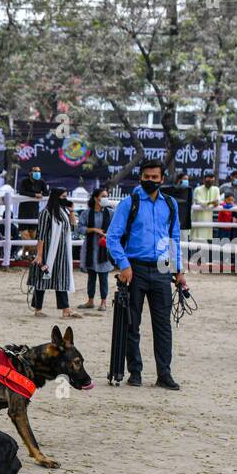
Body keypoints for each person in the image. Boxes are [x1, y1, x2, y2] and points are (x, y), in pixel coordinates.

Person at [105, 159, 185, 389]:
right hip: (135, 269)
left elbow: (174, 238)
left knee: (163, 326)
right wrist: (124, 265)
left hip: (162, 269)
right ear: (141, 177)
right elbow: (113, 237)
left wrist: (178, 271)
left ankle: (164, 374)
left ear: (162, 179)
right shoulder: (129, 204)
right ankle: (135, 372)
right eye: (146, 177)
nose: (150, 181)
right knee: (132, 325)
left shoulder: (170, 204)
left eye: (155, 177)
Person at [29, 186, 76, 318]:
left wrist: (71, 212)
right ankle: (38, 309)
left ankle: (66, 309)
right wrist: (39, 255)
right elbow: (41, 235)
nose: (65, 199)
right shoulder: (46, 213)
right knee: (42, 279)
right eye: (63, 197)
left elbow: (72, 228)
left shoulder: (63, 212)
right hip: (48, 251)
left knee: (61, 279)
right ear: (56, 197)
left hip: (62, 253)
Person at [75, 187, 113, 310]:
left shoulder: (111, 213)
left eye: (107, 196)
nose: (105, 199)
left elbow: (117, 229)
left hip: (105, 249)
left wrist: (108, 235)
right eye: (103, 196)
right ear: (96, 198)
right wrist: (94, 230)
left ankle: (103, 302)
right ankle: (90, 301)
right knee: (91, 276)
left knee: (104, 277)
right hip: (90, 249)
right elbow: (79, 229)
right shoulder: (86, 213)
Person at [17, 168, 48, 260]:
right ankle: (35, 251)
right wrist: (35, 195)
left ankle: (26, 254)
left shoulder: (41, 182)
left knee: (33, 234)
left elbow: (46, 193)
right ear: (30, 172)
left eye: (39, 171)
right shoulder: (24, 181)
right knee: (24, 234)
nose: (37, 173)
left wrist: (41, 194)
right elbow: (21, 192)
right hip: (23, 211)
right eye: (35, 171)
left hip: (34, 211)